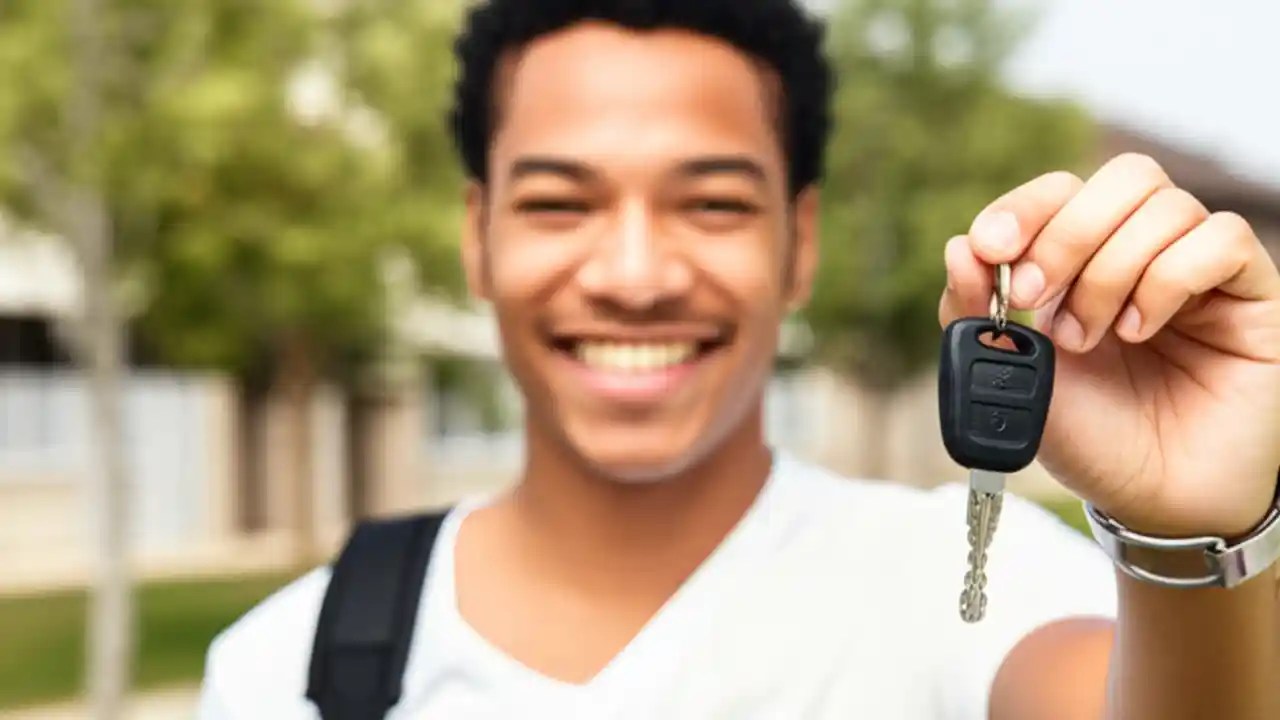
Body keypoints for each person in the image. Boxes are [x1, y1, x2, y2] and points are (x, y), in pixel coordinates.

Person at [197, 1, 1280, 717]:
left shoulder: (966, 591)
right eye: (560, 202)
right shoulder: (279, 664)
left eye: (710, 202)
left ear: (798, 243)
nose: (633, 274)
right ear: (477, 238)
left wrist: (1195, 534)